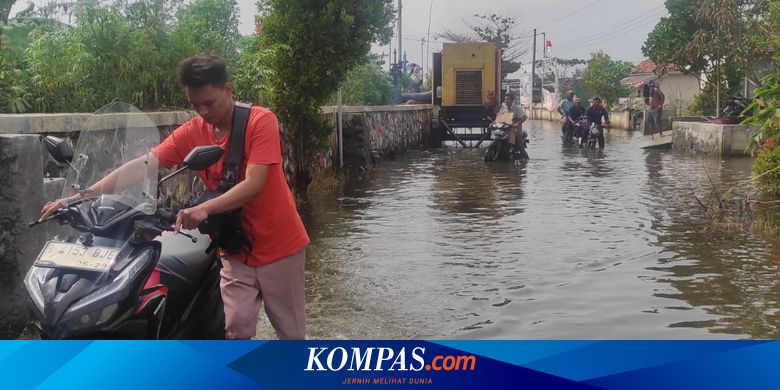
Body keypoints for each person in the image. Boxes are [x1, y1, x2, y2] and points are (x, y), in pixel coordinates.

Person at [40, 52, 310, 340]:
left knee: (290, 334)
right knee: (236, 329)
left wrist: (205, 209)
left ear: (228, 89)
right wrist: (80, 197)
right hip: (234, 247)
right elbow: (144, 165)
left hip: (278, 246)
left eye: (209, 103)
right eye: (195, 105)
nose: (203, 112)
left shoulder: (260, 121)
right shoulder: (194, 131)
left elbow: (255, 183)